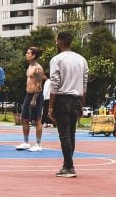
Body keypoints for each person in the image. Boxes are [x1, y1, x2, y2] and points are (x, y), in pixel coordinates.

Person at [48, 31, 88, 178]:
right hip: (76, 99)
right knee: (71, 134)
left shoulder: (57, 59)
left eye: (56, 40)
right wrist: (81, 104)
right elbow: (84, 85)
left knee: (64, 135)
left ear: (60, 41)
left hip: (62, 99)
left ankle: (69, 167)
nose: (55, 43)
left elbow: (54, 83)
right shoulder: (81, 60)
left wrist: (51, 106)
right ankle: (67, 165)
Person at [17, 46, 45, 152]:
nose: (26, 54)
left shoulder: (38, 69)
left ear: (33, 55)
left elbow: (39, 85)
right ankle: (26, 142)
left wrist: (34, 99)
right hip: (28, 95)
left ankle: (38, 144)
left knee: (37, 120)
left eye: (28, 53)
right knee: (24, 119)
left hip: (36, 96)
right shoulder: (29, 66)